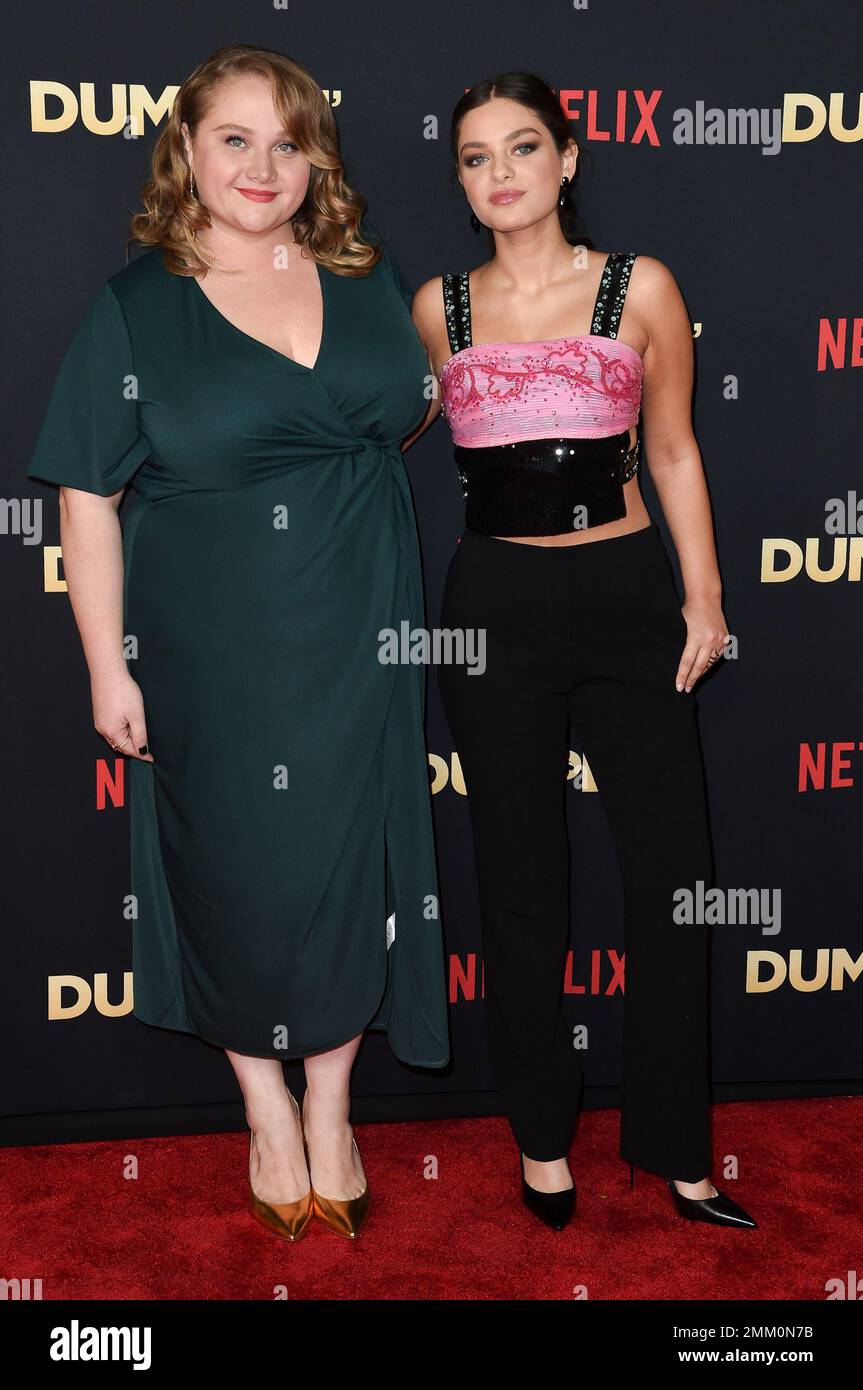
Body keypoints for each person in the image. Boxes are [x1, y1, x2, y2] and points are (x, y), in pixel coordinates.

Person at [26, 44, 449, 1243]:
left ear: (317, 157)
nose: (262, 165)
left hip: (361, 630)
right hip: (211, 644)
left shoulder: (368, 275)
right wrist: (108, 662)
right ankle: (263, 1109)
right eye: (234, 139)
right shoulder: (137, 303)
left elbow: (405, 415)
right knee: (233, 871)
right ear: (188, 154)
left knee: (348, 864)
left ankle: (332, 1109)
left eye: (288, 140)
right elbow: (86, 495)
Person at [410, 71, 755, 1231]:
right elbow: (354, 435)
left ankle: (678, 1148)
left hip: (621, 594)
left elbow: (671, 451)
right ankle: (541, 1139)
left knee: (674, 880)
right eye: (474, 157)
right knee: (519, 886)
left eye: (520, 148)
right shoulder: (435, 309)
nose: (499, 173)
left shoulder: (636, 287)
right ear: (458, 180)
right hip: (493, 600)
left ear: (567, 159)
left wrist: (700, 599)